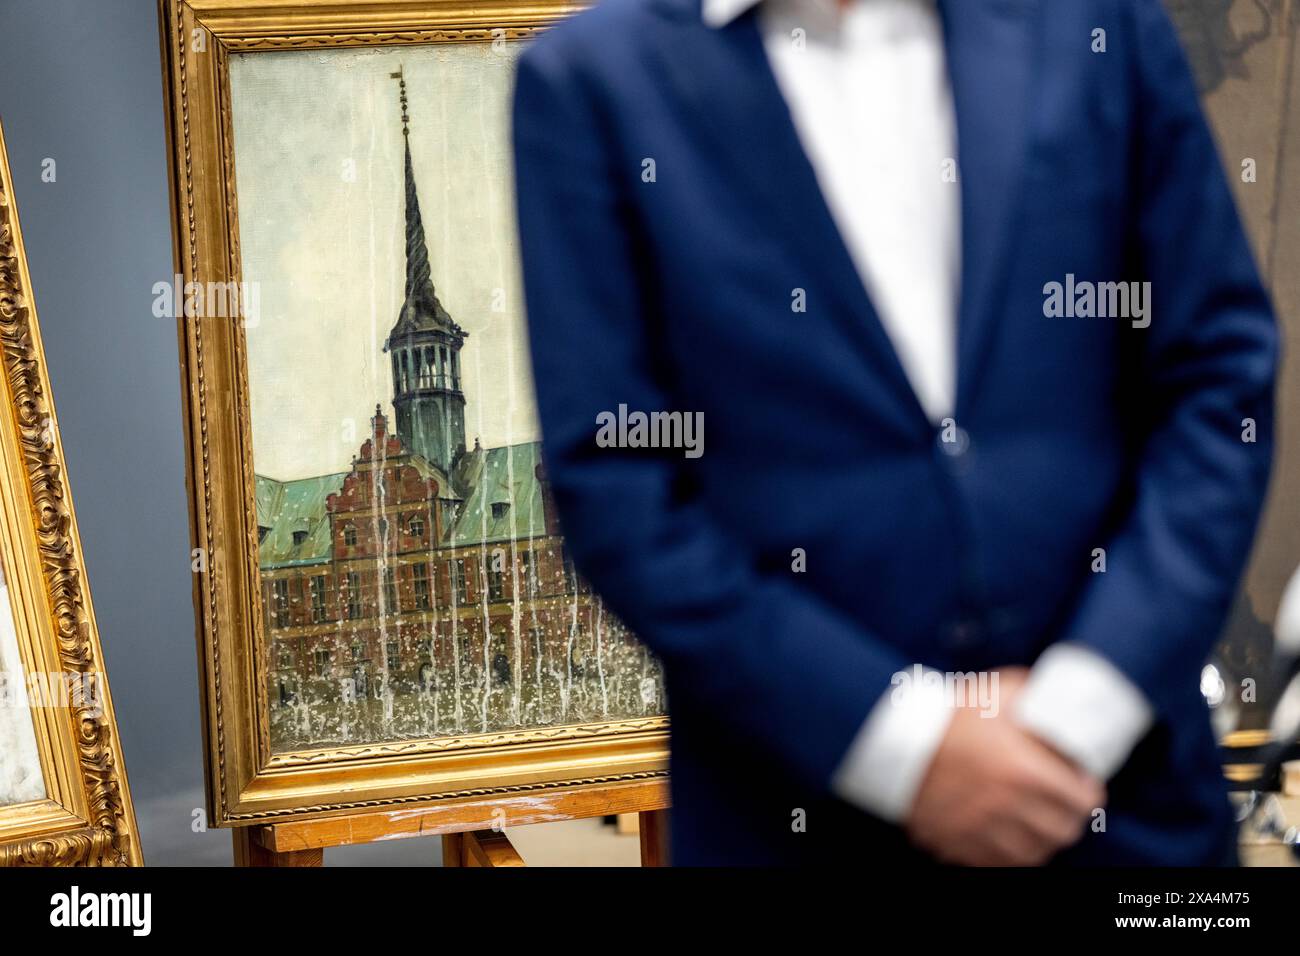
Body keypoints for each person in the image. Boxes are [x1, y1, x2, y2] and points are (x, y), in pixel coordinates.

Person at [511, 0, 1277, 865]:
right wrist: (909, 752)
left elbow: (1219, 374)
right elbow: (620, 493)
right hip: (798, 814)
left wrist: (1077, 715)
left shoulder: (1096, 22)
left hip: (1129, 816)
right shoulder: (589, 84)